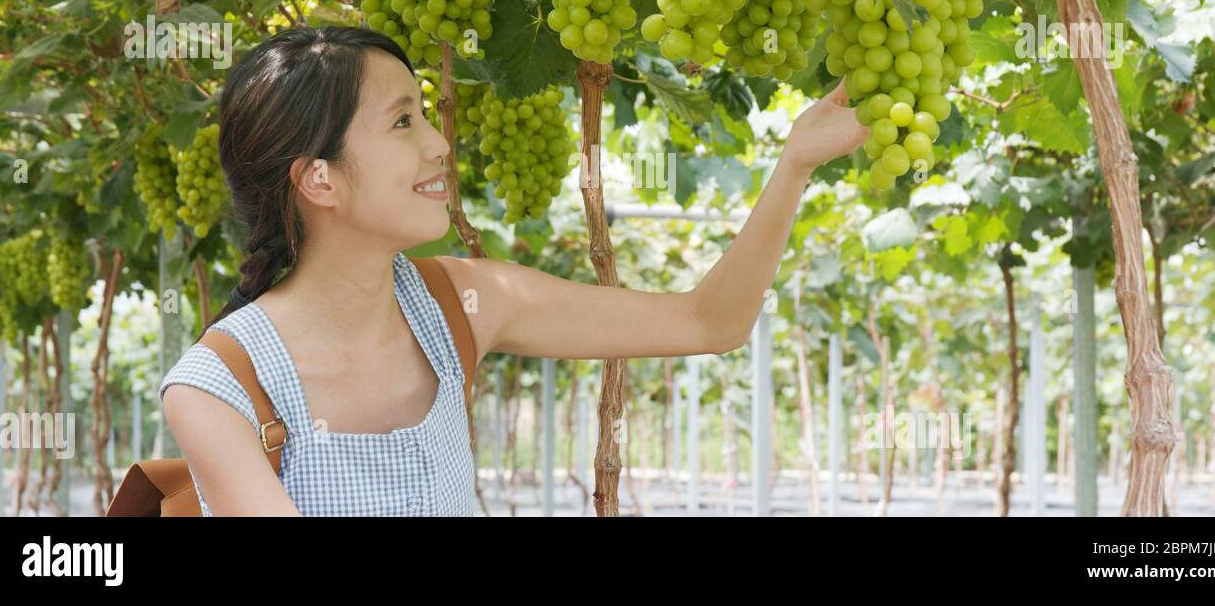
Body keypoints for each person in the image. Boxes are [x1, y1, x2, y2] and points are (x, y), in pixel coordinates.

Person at [159, 26, 867, 516]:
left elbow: (710, 320)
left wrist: (795, 161)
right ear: (319, 180)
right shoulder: (216, 389)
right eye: (404, 122)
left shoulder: (464, 302)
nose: (440, 143)